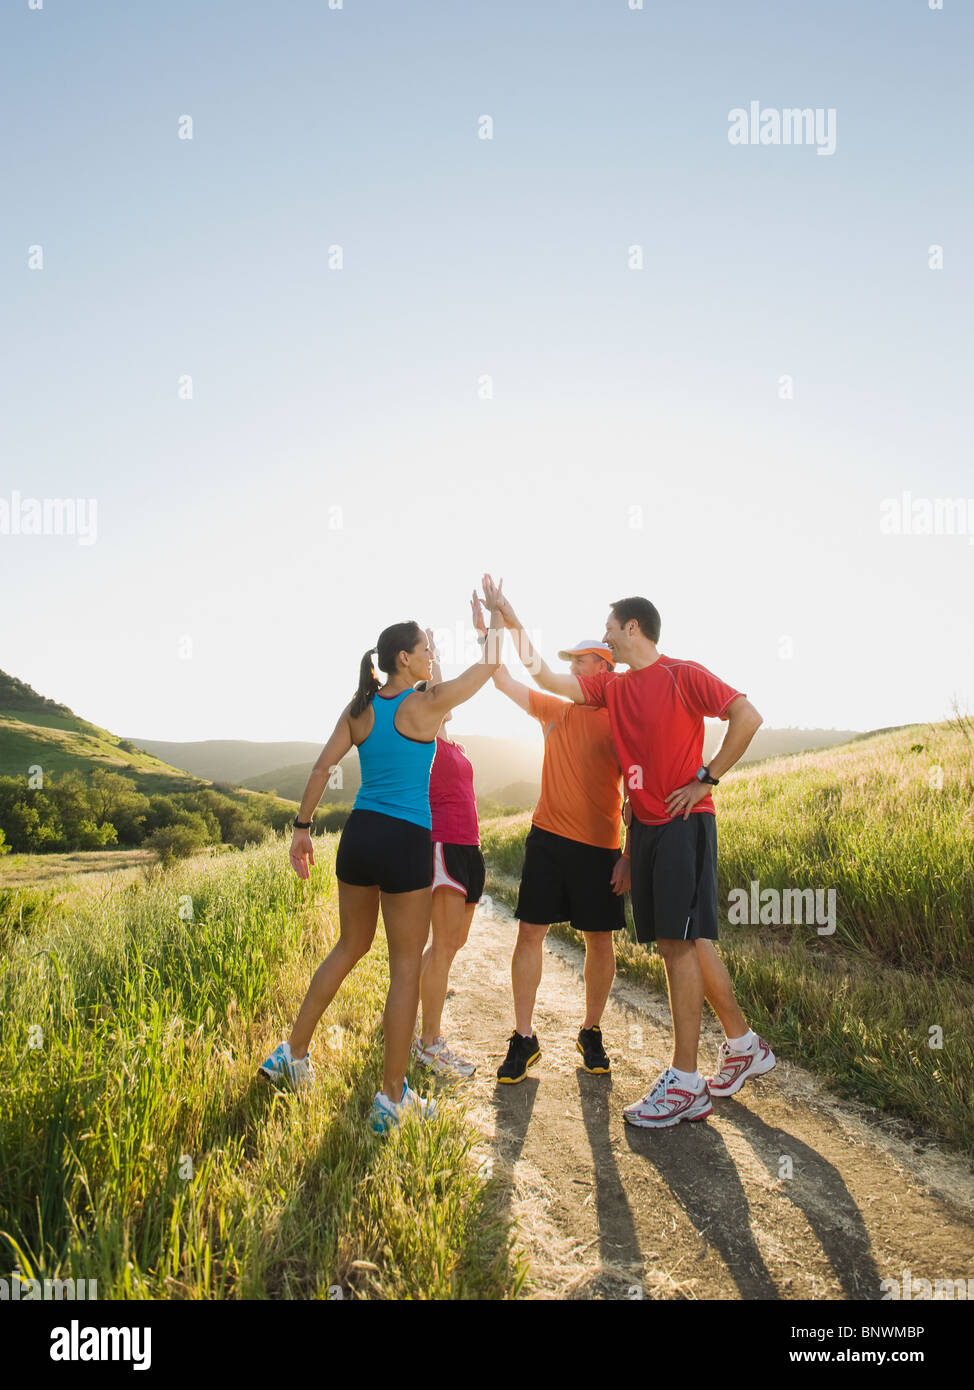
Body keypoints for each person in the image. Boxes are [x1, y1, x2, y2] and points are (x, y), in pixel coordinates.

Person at [489, 580, 775, 1129]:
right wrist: (508, 614)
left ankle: (686, 1083)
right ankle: (742, 1044)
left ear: (633, 628)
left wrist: (706, 779)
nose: (605, 638)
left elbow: (747, 716)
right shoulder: (613, 692)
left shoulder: (682, 674)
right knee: (686, 940)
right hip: (646, 829)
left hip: (680, 823)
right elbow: (543, 675)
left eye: (609, 629)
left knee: (677, 945)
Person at [259, 576, 506, 1134]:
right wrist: (493, 620)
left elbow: (322, 769)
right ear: (405, 658)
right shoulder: (424, 705)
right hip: (404, 840)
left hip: (359, 835)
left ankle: (290, 1054)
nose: (433, 657)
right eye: (427, 650)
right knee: (402, 967)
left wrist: (301, 829)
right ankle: (391, 1098)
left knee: (349, 945)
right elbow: (489, 668)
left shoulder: (361, 707)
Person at [471, 594, 627, 1083]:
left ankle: (591, 1031)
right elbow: (502, 678)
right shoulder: (555, 706)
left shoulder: (623, 712)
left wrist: (630, 854)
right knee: (530, 933)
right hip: (548, 839)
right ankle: (523, 1037)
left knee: (598, 940)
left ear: (602, 666)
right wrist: (489, 631)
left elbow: (641, 788)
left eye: (578, 660)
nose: (571, 668)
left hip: (602, 847)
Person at [413, 627, 486, 1079]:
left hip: (470, 849)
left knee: (453, 943)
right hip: (443, 846)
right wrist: (433, 656)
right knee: (441, 946)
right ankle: (429, 1043)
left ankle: (412, 1019)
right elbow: (436, 690)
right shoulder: (425, 739)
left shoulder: (453, 744)